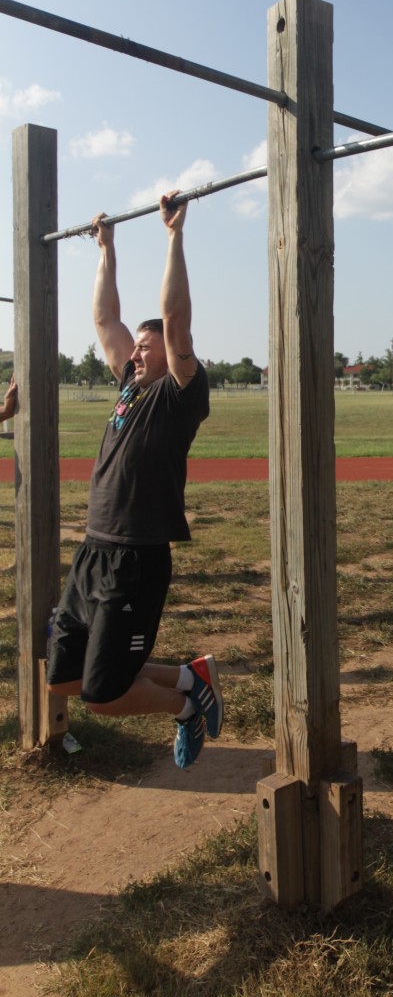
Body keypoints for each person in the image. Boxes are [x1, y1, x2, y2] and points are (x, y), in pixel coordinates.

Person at [47, 193, 221, 769]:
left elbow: (175, 321)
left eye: (147, 347)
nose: (137, 354)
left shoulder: (178, 396)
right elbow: (105, 320)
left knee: (103, 695)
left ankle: (186, 706)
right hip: (93, 551)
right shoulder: (129, 386)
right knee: (65, 678)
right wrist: (107, 250)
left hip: (136, 557)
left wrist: (174, 235)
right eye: (137, 348)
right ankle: (189, 676)